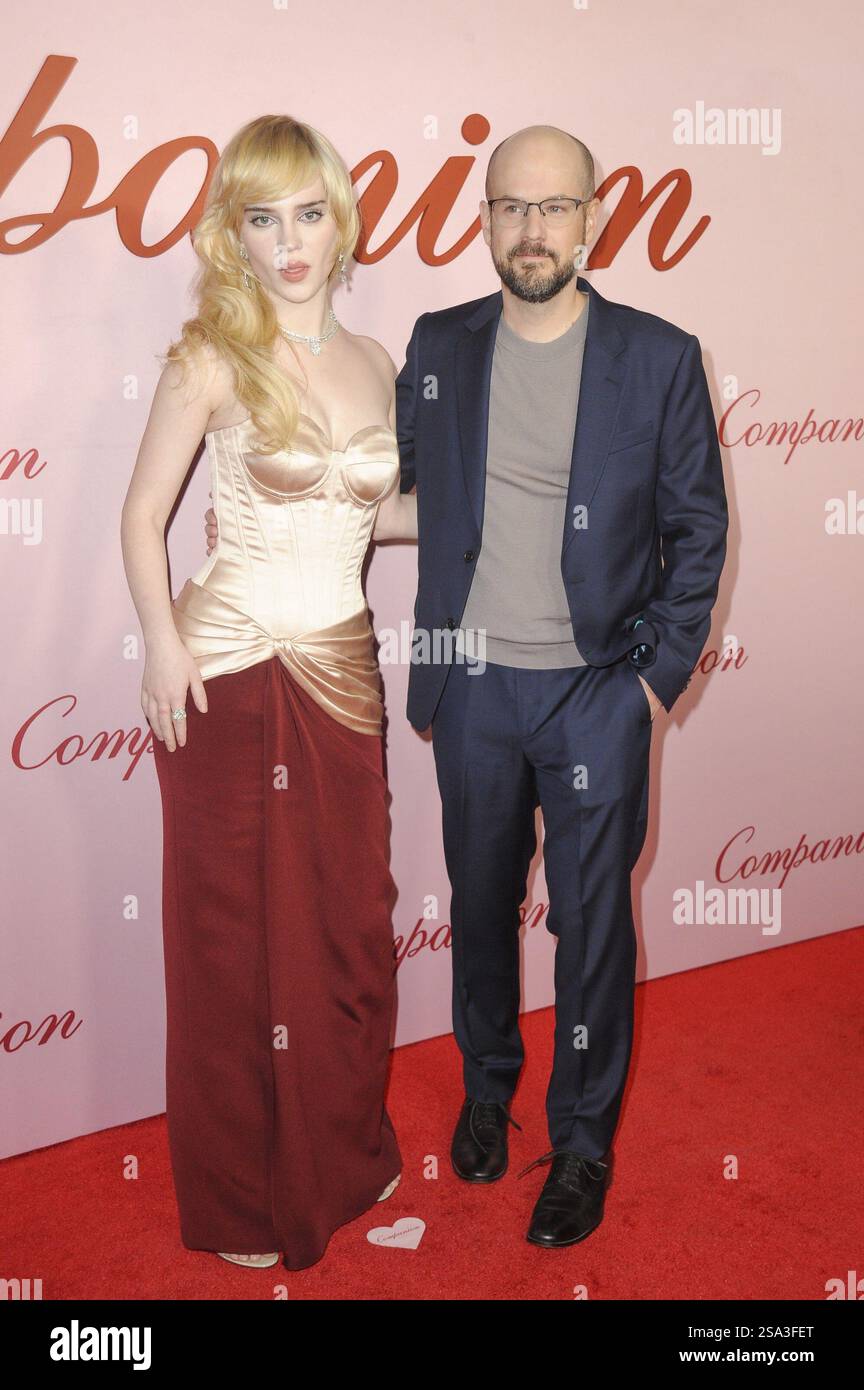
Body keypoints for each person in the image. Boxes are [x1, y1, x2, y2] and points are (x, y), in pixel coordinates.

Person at [394, 124, 728, 1247]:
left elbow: (699, 532)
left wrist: (650, 687)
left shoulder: (660, 354)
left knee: (592, 931)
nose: (529, 229)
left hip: (597, 689)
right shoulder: (439, 344)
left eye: (553, 207)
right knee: (481, 908)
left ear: (592, 219)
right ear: (484, 221)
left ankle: (580, 1145)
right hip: (474, 684)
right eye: (508, 207)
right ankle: (489, 1087)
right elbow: (397, 486)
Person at [120, 113, 417, 1272]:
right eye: (262, 218)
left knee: (347, 927)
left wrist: (502, 515)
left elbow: (375, 513)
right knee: (234, 944)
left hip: (343, 668)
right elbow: (142, 516)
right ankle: (245, 1197)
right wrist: (158, 640)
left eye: (306, 214)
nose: (289, 242)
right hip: (225, 674)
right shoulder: (210, 356)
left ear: (338, 223)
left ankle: (344, 1157)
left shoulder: (377, 361)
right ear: (232, 234)